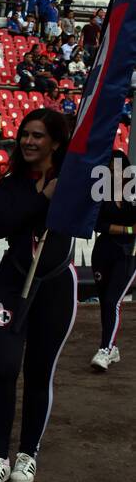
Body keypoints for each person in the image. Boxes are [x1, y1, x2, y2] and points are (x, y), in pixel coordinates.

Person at [0, 109, 76, 482]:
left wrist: (63, 189)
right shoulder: (11, 183)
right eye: (25, 134)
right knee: (3, 369)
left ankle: (28, 453)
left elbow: (94, 214)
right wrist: (42, 197)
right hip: (9, 284)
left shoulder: (72, 182)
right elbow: (2, 225)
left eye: (38, 135)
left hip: (55, 287)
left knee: (39, 374)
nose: (29, 141)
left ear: (55, 141)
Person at [90, 149, 136, 372]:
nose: (113, 174)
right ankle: (112, 347)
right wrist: (128, 228)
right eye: (109, 170)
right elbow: (97, 225)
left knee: (112, 301)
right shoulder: (100, 193)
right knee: (105, 303)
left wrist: (121, 231)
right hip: (103, 252)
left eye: (116, 169)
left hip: (129, 253)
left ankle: (105, 350)